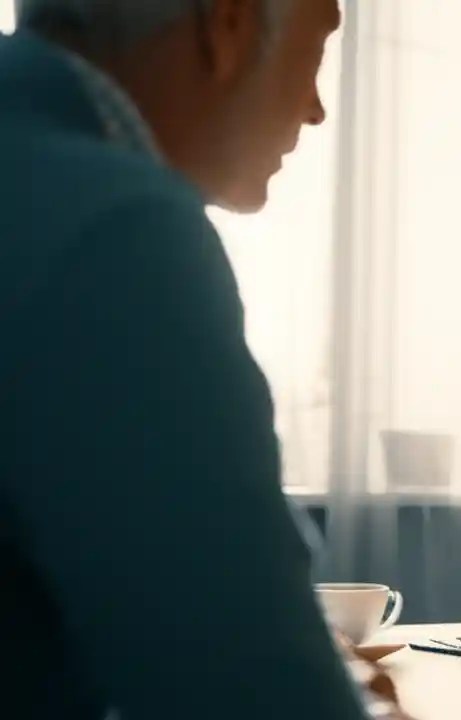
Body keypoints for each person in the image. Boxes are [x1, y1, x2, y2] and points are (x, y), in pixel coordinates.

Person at [0, 1, 406, 717]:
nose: (315, 111)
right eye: (317, 51)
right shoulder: (116, 227)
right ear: (228, 24)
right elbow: (253, 696)